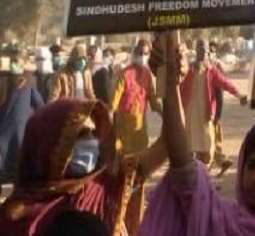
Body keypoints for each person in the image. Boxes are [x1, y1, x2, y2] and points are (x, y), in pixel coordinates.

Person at [141, 32, 255, 236]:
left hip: (206, 118)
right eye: (251, 165)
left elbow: (225, 84)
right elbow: (183, 170)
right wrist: (170, 81)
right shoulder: (220, 221)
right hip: (193, 118)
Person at [0, 98, 167, 235]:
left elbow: (166, 146)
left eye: (94, 133)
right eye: (82, 134)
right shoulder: (13, 216)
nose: (92, 141)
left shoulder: (104, 186)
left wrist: (171, 85)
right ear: (48, 146)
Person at [110, 38, 159, 234]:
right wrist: (111, 131)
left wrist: (170, 114)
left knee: (140, 173)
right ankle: (118, 217)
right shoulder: (125, 74)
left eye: (146, 53)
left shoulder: (148, 74)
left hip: (140, 128)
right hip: (124, 126)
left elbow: (154, 102)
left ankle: (136, 216)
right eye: (140, 52)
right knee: (123, 173)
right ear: (134, 52)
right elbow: (112, 105)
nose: (143, 56)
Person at [180, 39, 248, 166]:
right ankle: (192, 179)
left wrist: (239, 95)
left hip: (205, 115)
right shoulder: (188, 70)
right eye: (200, 50)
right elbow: (179, 88)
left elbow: (225, 83)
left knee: (207, 148)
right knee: (188, 147)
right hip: (190, 115)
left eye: (205, 51)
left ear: (208, 53)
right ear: (196, 51)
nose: (203, 53)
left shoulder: (212, 71)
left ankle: (204, 179)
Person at [0, 54, 43, 185]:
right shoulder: (3, 79)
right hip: (4, 125)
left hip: (21, 126)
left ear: (24, 64)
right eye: (13, 62)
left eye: (18, 62)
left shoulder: (29, 81)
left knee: (18, 152)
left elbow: (39, 103)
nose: (15, 65)